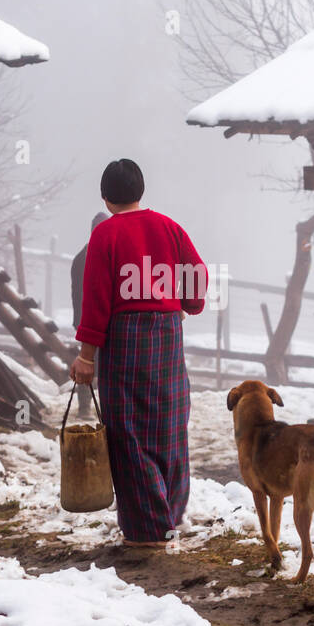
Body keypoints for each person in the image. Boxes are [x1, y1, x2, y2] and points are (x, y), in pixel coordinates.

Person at [71, 159, 207, 548]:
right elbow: (196, 271)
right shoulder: (169, 227)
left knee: (128, 431)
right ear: (140, 192)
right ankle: (169, 515)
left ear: (106, 198)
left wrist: (86, 357)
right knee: (168, 424)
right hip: (166, 334)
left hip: (124, 337)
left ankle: (147, 529)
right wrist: (187, 303)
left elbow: (96, 300)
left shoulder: (106, 234)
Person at [70, 211, 109, 415]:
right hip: (97, 321)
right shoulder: (96, 257)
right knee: (95, 365)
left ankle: (86, 406)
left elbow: (75, 293)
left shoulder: (80, 257)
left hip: (85, 320)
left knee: (88, 363)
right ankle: (90, 407)